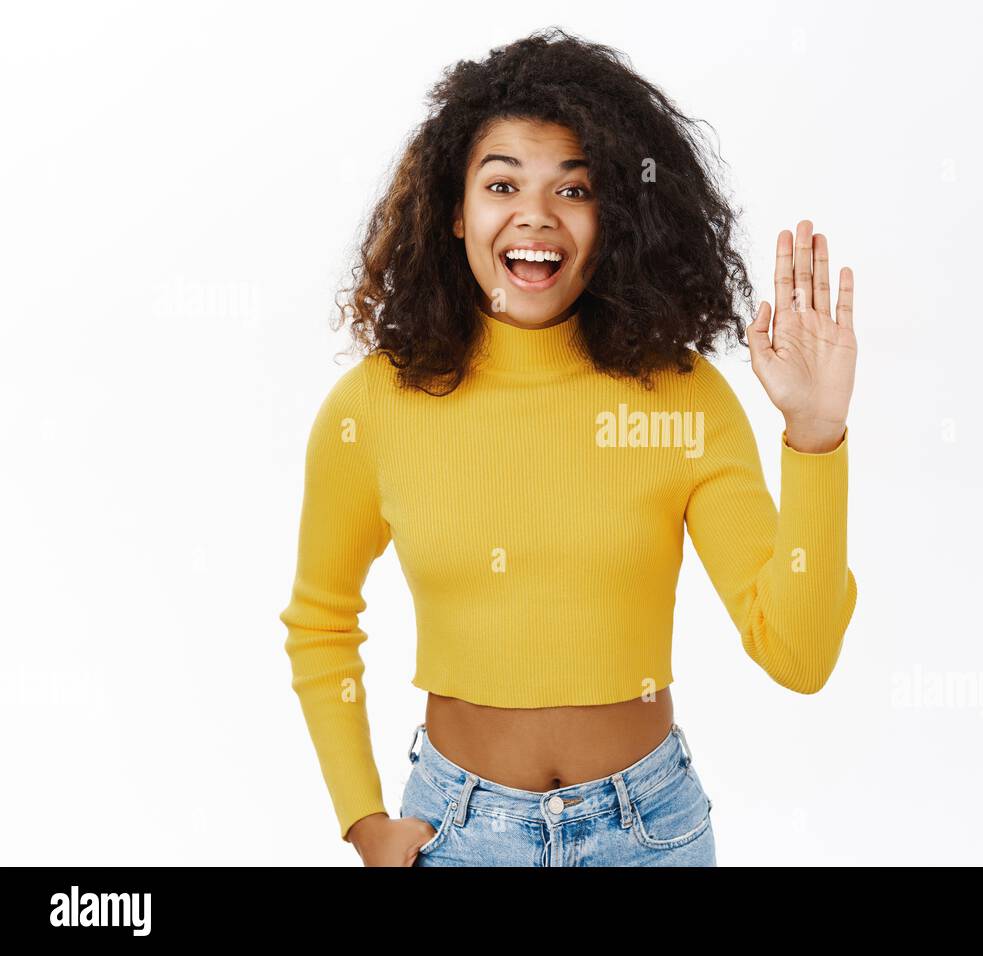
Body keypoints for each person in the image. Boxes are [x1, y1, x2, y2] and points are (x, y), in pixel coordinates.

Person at [279, 27, 858, 867]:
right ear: (455, 210)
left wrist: (814, 436)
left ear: (614, 213)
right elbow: (320, 620)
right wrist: (362, 818)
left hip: (649, 833)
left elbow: (800, 656)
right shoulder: (373, 405)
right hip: (453, 833)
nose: (535, 217)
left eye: (573, 189)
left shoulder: (684, 397)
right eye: (501, 183)